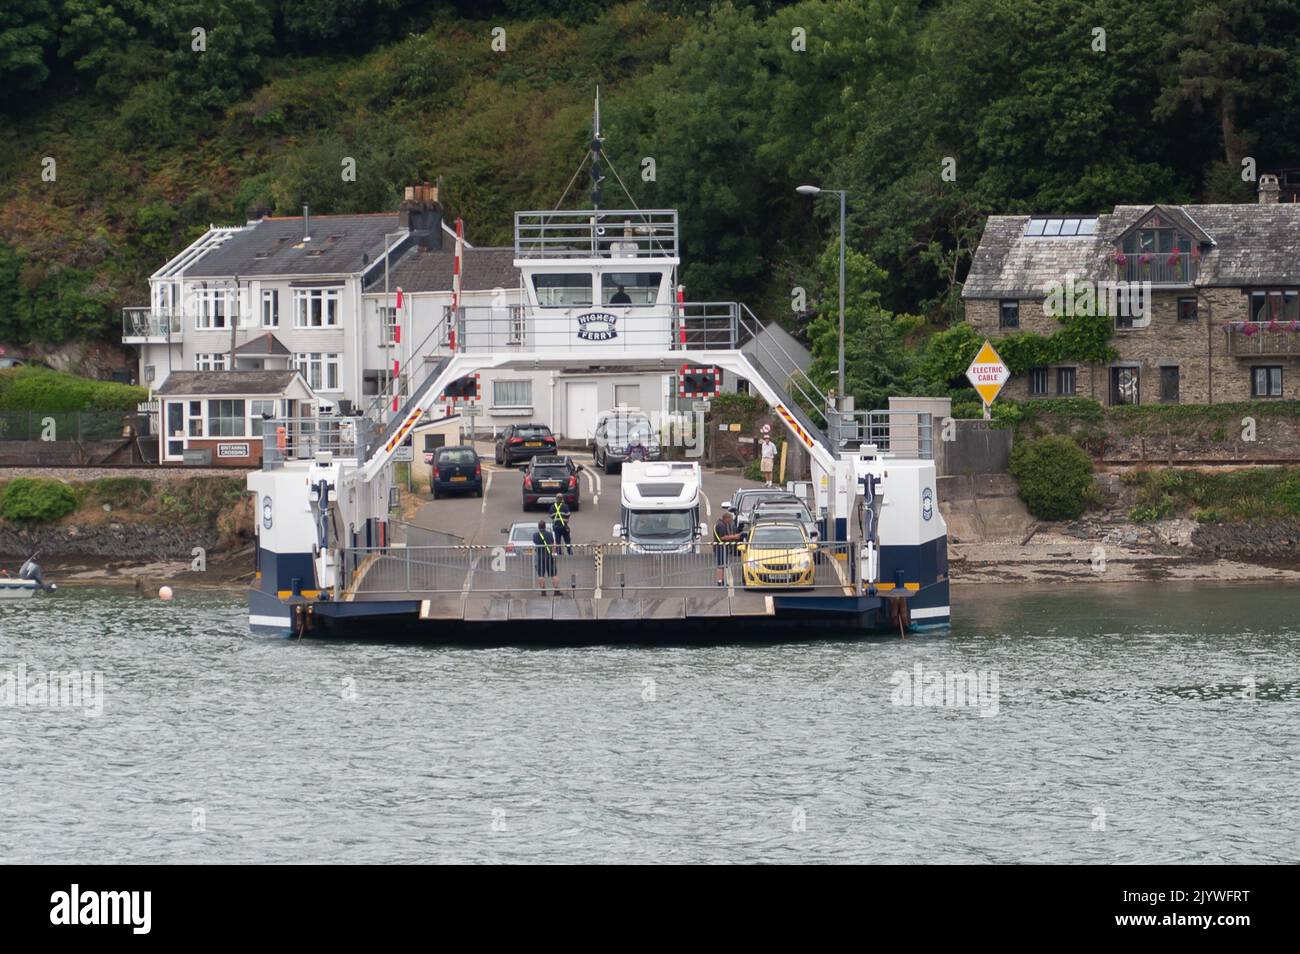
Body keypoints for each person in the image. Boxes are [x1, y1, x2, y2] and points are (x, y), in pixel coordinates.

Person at [713, 507, 743, 587]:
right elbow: (723, 537)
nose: (731, 522)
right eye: (730, 520)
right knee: (720, 565)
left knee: (723, 565)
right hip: (720, 548)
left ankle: (722, 581)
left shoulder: (720, 523)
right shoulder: (721, 525)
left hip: (721, 547)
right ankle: (720, 582)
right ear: (726, 518)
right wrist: (734, 537)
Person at [533, 520, 561, 595]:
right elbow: (553, 544)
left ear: (538, 527)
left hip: (540, 557)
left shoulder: (535, 535)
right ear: (545, 526)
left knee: (541, 575)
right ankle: (556, 590)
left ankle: (543, 591)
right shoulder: (549, 534)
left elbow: (535, 542)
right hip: (549, 556)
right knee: (554, 574)